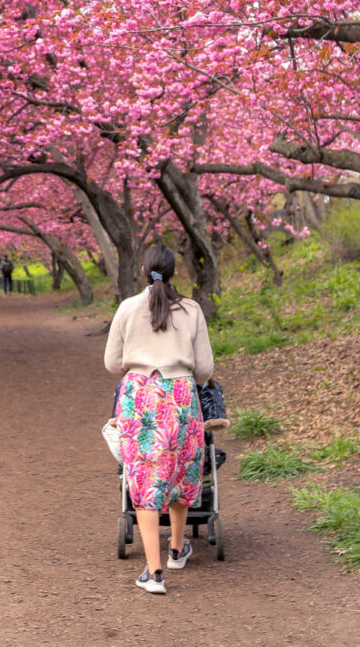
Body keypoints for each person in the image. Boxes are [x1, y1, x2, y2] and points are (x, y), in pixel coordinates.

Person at [104, 244, 213, 595]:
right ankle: (177, 550)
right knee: (181, 469)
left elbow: (112, 363)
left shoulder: (127, 307)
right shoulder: (192, 309)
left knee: (146, 477)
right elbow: (205, 369)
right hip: (180, 396)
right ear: (174, 272)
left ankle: (154, 574)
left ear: (143, 269)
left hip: (139, 396)